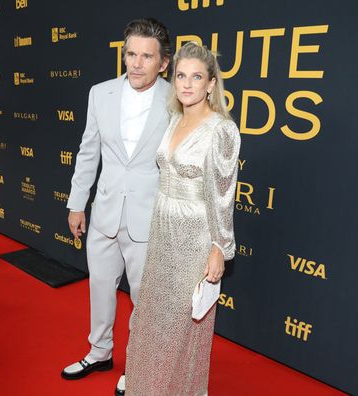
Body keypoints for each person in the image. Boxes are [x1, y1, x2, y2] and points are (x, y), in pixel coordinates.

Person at [61, 18, 171, 395]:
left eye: (146, 56)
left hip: (148, 216)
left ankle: (138, 364)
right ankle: (99, 352)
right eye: (130, 54)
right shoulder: (100, 93)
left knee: (143, 298)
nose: (136, 64)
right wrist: (77, 204)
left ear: (163, 63)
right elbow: (88, 151)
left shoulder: (175, 100)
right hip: (105, 209)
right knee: (100, 287)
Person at [125, 42, 241, 396]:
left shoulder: (221, 130)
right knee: (152, 320)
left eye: (197, 77)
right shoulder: (174, 118)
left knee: (179, 325)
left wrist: (219, 247)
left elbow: (222, 195)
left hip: (194, 235)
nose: (187, 84)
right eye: (180, 76)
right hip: (163, 230)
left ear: (211, 84)